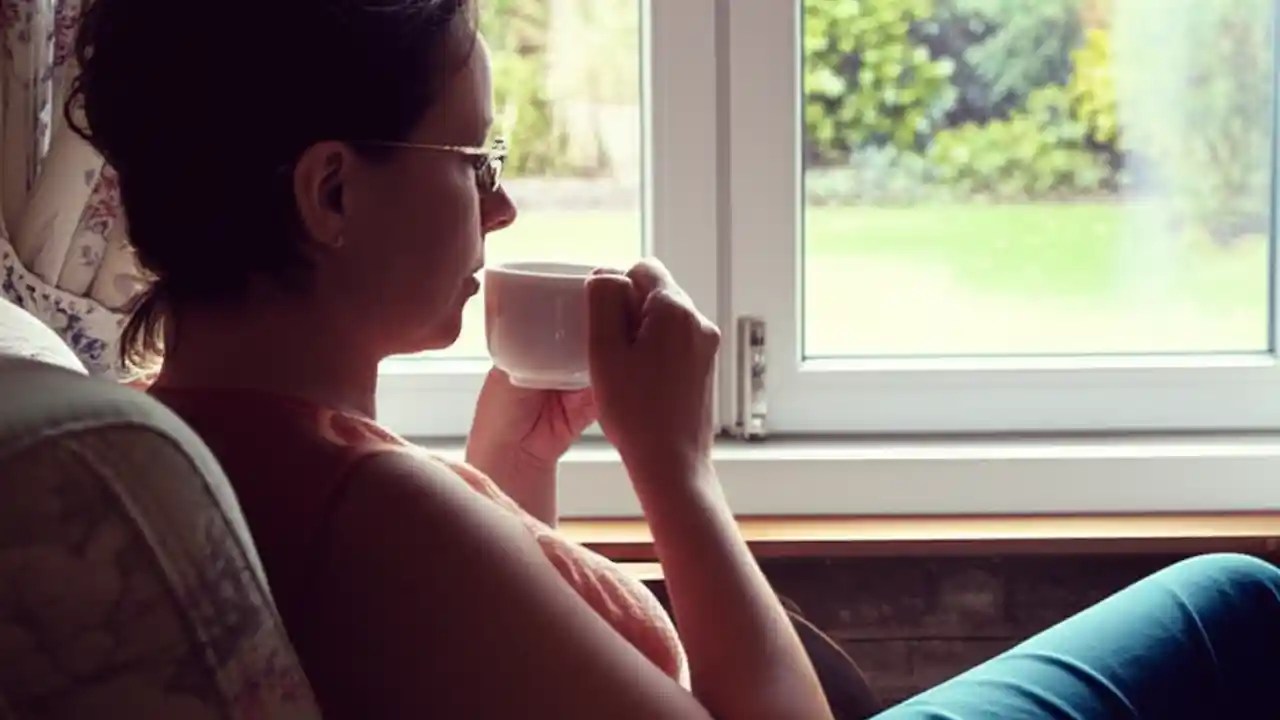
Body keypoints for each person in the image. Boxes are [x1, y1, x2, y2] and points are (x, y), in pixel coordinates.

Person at [67, 1, 1279, 718]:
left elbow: (482, 677)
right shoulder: (373, 515)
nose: (502, 212)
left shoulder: (182, 444)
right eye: (473, 162)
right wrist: (676, 471)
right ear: (331, 192)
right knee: (1236, 604)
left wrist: (503, 476)